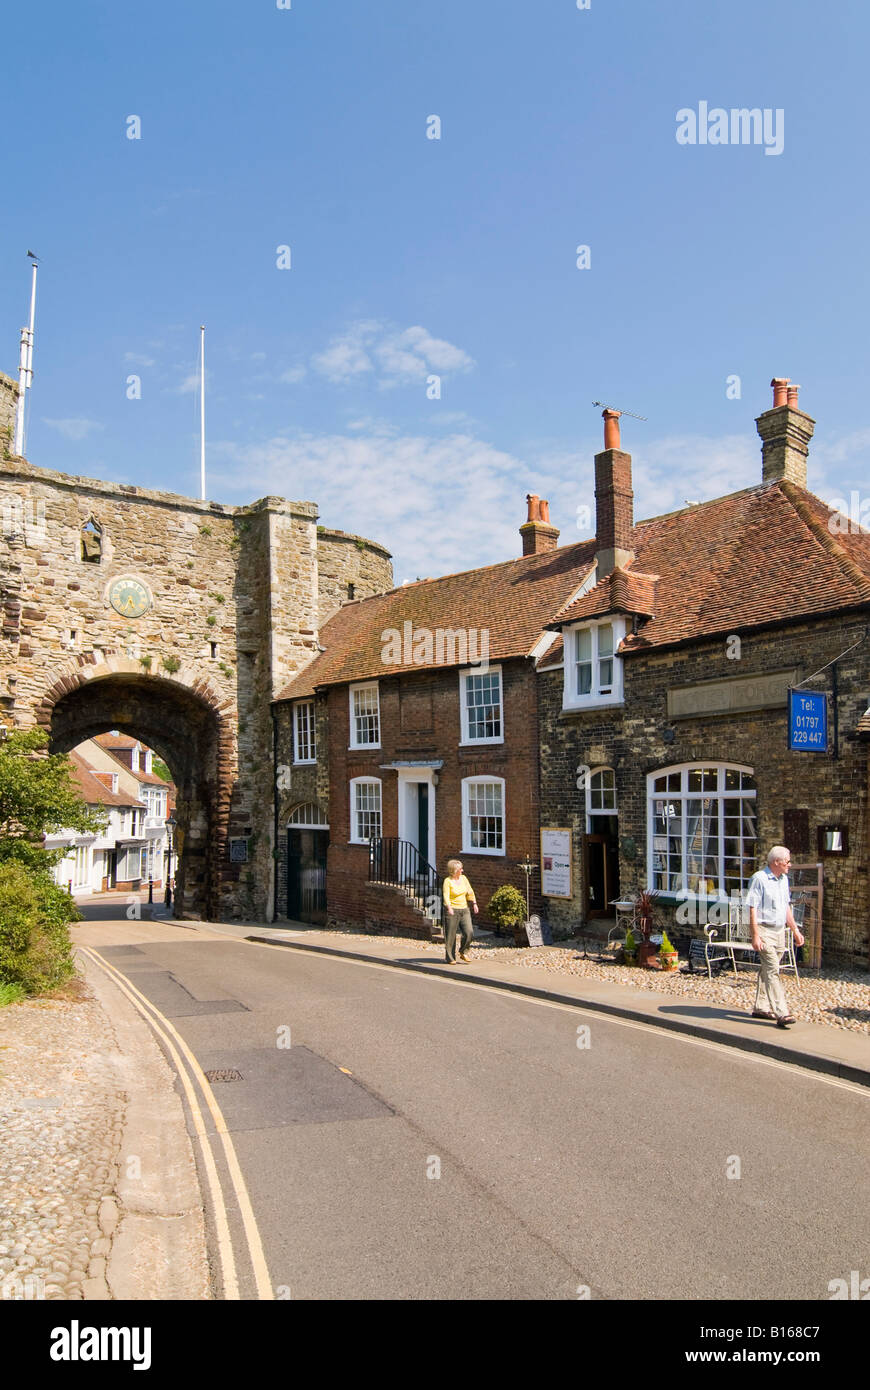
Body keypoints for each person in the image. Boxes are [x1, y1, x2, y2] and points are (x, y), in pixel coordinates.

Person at [744, 846, 804, 1028]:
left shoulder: (783, 880)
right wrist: (755, 935)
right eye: (787, 861)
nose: (789, 865)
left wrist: (795, 930)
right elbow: (752, 908)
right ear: (776, 862)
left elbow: (786, 907)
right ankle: (782, 1012)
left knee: (767, 969)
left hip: (778, 931)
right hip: (763, 930)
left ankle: (760, 1007)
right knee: (772, 969)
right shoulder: (759, 879)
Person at [442, 859, 478, 964]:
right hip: (452, 909)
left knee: (469, 932)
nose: (462, 870)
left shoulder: (464, 879)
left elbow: (470, 891)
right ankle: (450, 957)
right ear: (454, 870)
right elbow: (446, 895)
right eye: (460, 869)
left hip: (464, 909)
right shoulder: (447, 881)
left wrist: (474, 903)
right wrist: (449, 908)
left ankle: (463, 951)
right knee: (450, 935)